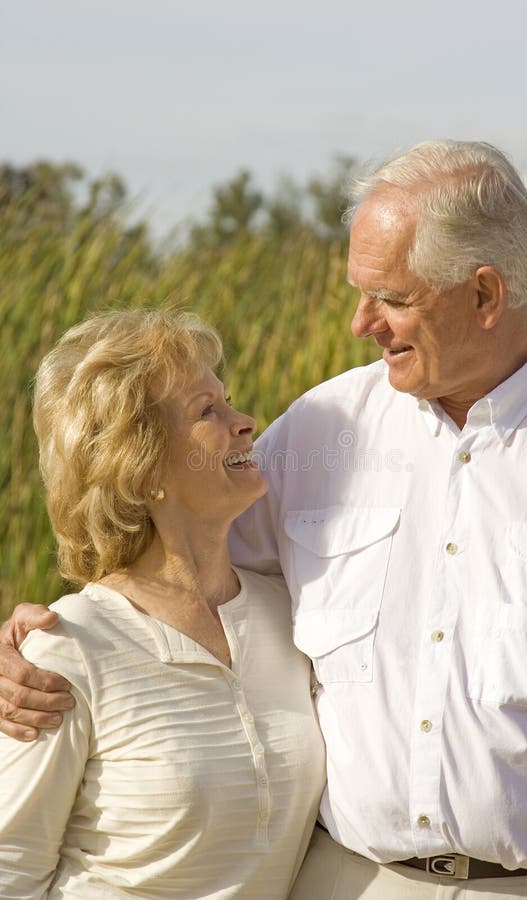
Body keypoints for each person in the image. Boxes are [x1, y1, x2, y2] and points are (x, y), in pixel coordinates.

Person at [2, 140, 527, 899]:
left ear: (484, 294)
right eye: (359, 292)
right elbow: (165, 566)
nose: (360, 323)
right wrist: (29, 646)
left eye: (391, 297)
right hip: (354, 882)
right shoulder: (320, 430)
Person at [0, 309, 325, 898]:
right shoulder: (65, 649)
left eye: (228, 402)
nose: (246, 422)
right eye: (207, 412)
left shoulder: (290, 614)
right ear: (140, 465)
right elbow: (10, 868)